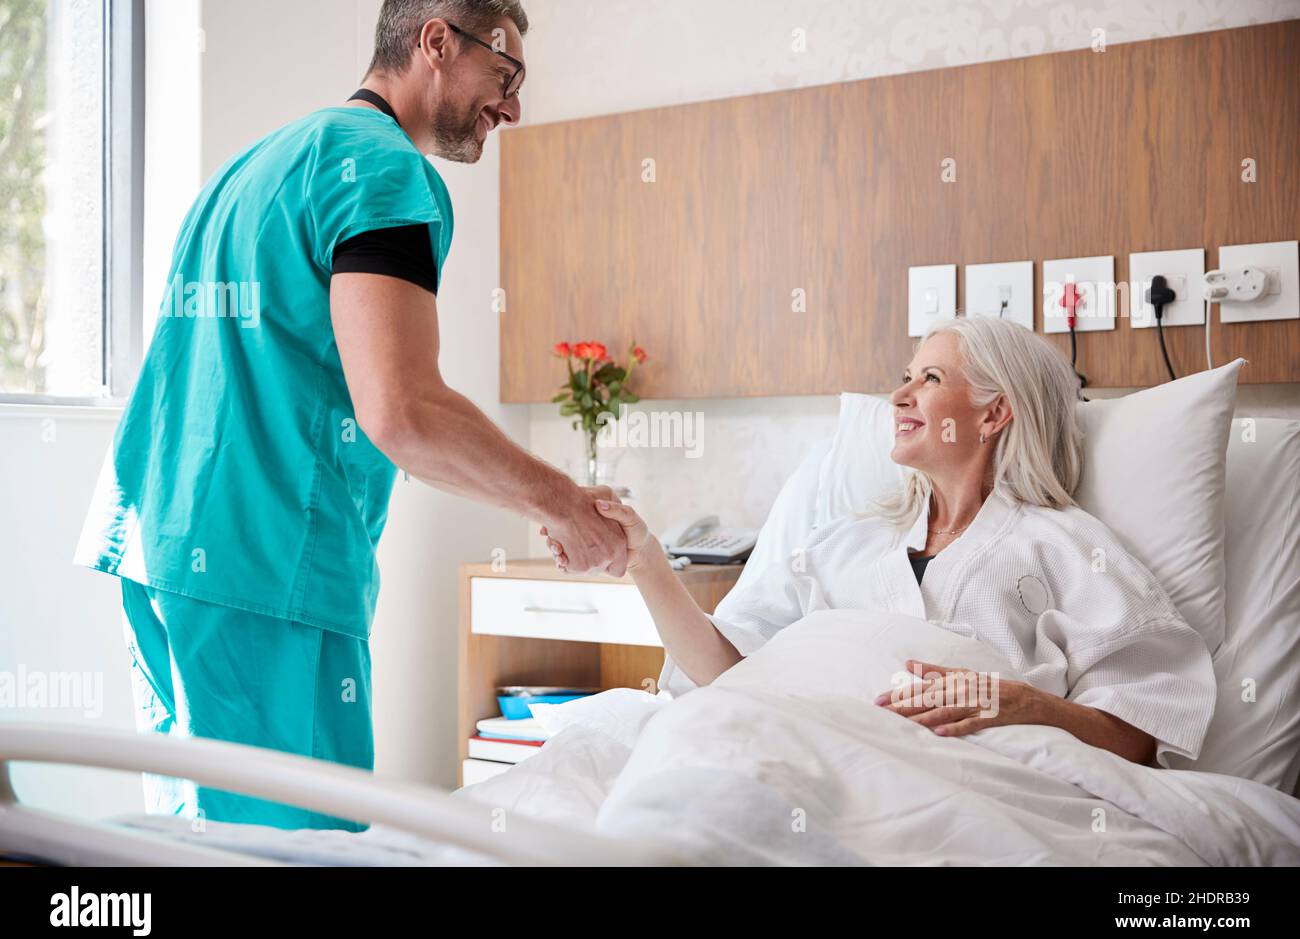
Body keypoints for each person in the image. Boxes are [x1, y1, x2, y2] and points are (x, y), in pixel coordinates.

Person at [74, 0, 624, 830]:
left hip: (157, 555)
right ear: (437, 40)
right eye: (504, 74)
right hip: (261, 573)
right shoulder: (385, 172)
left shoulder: (253, 168)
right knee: (296, 850)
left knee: (199, 842)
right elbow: (404, 410)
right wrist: (562, 504)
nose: (512, 106)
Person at [546, 316, 1217, 768]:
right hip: (802, 755)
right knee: (598, 752)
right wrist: (648, 562)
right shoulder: (845, 542)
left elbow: (1136, 735)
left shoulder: (1066, 548)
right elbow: (727, 673)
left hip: (964, 782)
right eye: (905, 375)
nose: (898, 395)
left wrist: (1019, 702)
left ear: (994, 411)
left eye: (929, 378)